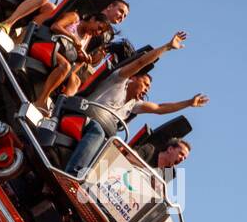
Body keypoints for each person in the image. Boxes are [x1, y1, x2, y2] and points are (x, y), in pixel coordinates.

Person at [64, 32, 197, 176]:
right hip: (84, 115)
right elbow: (140, 63)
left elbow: (160, 108)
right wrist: (167, 47)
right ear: (133, 78)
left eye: (148, 88)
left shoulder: (133, 105)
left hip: (101, 132)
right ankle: (73, 174)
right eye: (145, 84)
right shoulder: (118, 81)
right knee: (98, 131)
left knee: (115, 153)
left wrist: (189, 103)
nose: (146, 89)